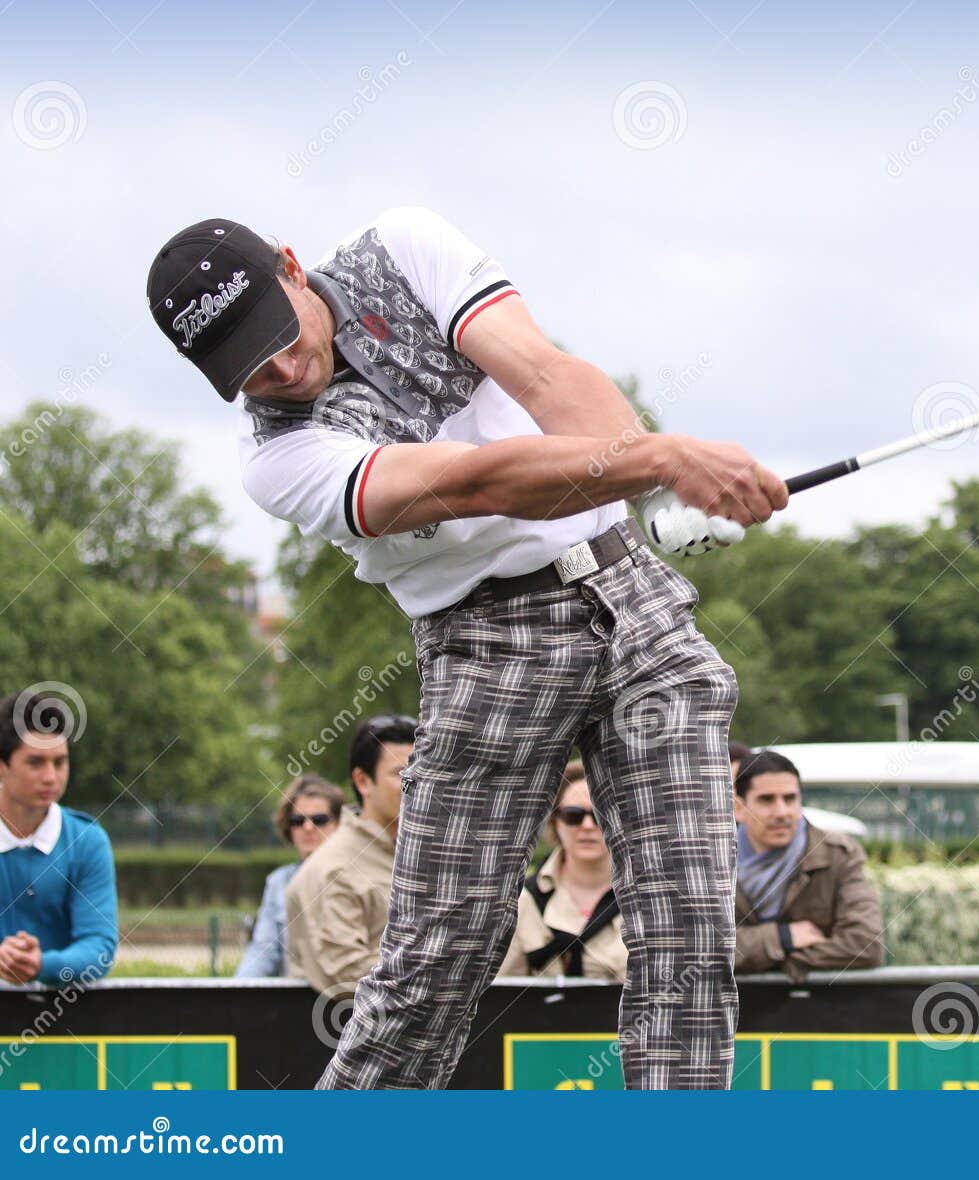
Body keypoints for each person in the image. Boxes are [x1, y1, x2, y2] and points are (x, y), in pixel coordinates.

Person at [147, 209, 784, 1089]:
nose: (282, 371)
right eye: (249, 367)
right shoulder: (279, 458)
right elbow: (479, 483)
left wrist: (650, 481)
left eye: (279, 335)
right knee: (437, 965)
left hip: (631, 595)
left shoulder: (401, 249)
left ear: (292, 266)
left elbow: (547, 375)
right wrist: (664, 460)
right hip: (488, 646)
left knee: (691, 928)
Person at [285, 717, 414, 997]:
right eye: (400, 772)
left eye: (423, 770)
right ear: (363, 781)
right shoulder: (333, 869)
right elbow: (347, 973)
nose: (415, 782)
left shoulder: (421, 854)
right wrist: (441, 969)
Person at [732, 750, 884, 980]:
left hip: (817, 1000)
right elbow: (698, 951)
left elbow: (866, 946)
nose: (782, 812)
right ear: (739, 808)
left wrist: (777, 964)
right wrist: (783, 938)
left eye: (790, 799)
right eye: (767, 800)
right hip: (735, 1003)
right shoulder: (712, 864)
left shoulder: (837, 854)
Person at [0, 688, 116, 986]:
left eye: (60, 762)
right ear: (2, 766)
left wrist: (42, 965)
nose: (51, 777)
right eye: (35, 762)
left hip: (63, 1013)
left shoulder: (87, 841)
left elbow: (99, 947)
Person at [500, 761, 626, 981]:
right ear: (554, 821)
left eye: (599, 815)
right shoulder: (520, 899)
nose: (587, 826)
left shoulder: (646, 897)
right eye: (573, 815)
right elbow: (502, 989)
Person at [236, 775, 343, 978]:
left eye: (319, 819)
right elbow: (263, 951)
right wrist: (236, 991)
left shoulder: (359, 877)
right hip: (294, 993)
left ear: (339, 824)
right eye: (297, 820)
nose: (308, 827)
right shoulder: (278, 882)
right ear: (288, 828)